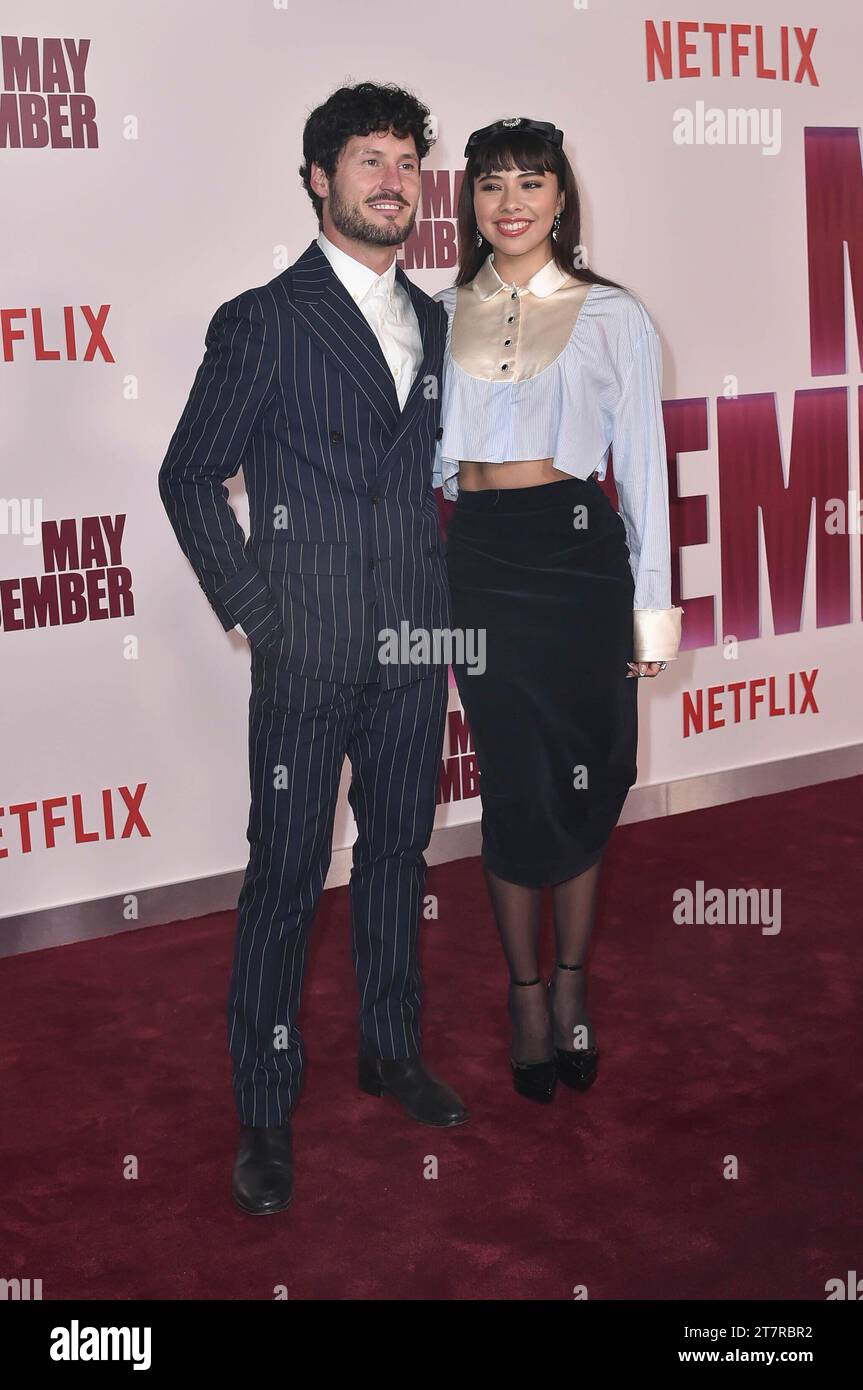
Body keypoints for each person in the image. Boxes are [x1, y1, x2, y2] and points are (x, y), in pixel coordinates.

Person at [158, 82, 468, 1217]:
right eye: (367, 160)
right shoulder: (263, 319)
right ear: (316, 181)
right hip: (305, 652)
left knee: (396, 858)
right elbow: (188, 475)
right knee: (285, 878)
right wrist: (259, 611)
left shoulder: (435, 320)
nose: (392, 180)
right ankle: (264, 1104)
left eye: (405, 162)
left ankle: (389, 1049)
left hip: (411, 642)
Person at [433, 116, 683, 1104]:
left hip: (578, 557)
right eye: (490, 184)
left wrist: (649, 616)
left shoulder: (612, 314)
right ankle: (524, 994)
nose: (509, 202)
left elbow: (647, 476)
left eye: (529, 182)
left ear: (558, 197)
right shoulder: (435, 311)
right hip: (483, 558)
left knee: (589, 775)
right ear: (470, 202)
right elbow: (420, 458)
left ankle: (572, 980)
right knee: (513, 779)